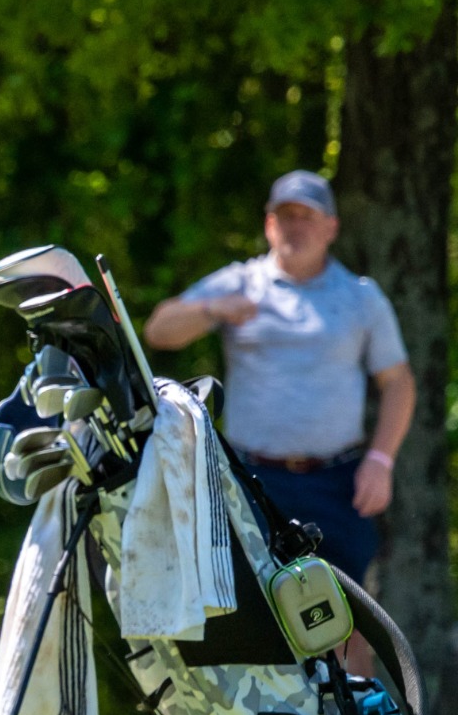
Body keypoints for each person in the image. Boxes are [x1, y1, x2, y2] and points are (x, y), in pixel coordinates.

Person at [144, 169, 416, 591]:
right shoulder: (240, 283)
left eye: (307, 216)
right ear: (270, 225)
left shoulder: (361, 297)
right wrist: (213, 308)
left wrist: (381, 461)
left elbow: (398, 382)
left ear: (331, 228)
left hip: (337, 484)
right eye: (285, 215)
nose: (295, 226)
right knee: (255, 616)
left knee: (349, 626)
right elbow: (159, 331)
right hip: (251, 482)